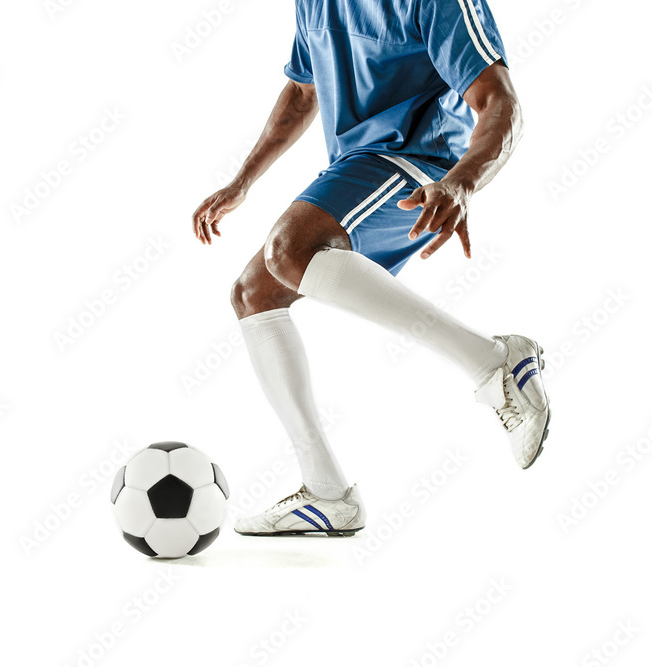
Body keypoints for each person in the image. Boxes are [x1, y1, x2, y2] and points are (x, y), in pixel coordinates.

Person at [192, 0, 550, 537]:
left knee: (289, 250)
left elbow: (501, 100)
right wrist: (243, 180)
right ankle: (328, 493)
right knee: (254, 294)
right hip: (353, 163)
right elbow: (303, 89)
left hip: (417, 162)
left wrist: (462, 181)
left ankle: (497, 363)